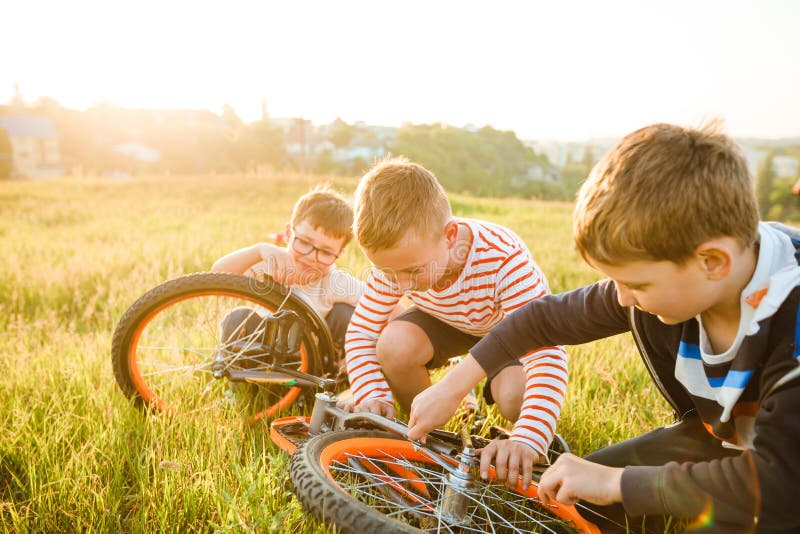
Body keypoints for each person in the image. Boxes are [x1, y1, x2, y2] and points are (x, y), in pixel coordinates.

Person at [407, 122, 800, 532]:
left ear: (713, 262)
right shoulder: (678, 280)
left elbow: (782, 482)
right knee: (575, 497)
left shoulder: (792, 321)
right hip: (721, 445)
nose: (623, 299)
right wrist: (455, 385)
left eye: (637, 284)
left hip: (783, 478)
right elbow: (542, 319)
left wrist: (618, 482)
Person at [342, 156, 569, 488]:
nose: (401, 285)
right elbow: (362, 330)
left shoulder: (503, 260)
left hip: (506, 330)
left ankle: (516, 433)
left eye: (412, 271)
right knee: (394, 345)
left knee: (514, 396)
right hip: (445, 321)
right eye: (389, 273)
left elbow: (547, 354)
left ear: (449, 235)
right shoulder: (399, 264)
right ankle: (430, 436)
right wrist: (371, 391)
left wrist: (530, 436)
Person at [212, 186, 368, 360]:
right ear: (288, 233)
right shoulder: (270, 265)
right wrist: (257, 251)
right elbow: (216, 276)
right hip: (263, 354)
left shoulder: (335, 281)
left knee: (345, 314)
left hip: (313, 362)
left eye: (325, 252)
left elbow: (386, 307)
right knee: (237, 317)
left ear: (339, 254)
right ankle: (236, 375)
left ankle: (340, 371)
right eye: (304, 242)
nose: (311, 257)